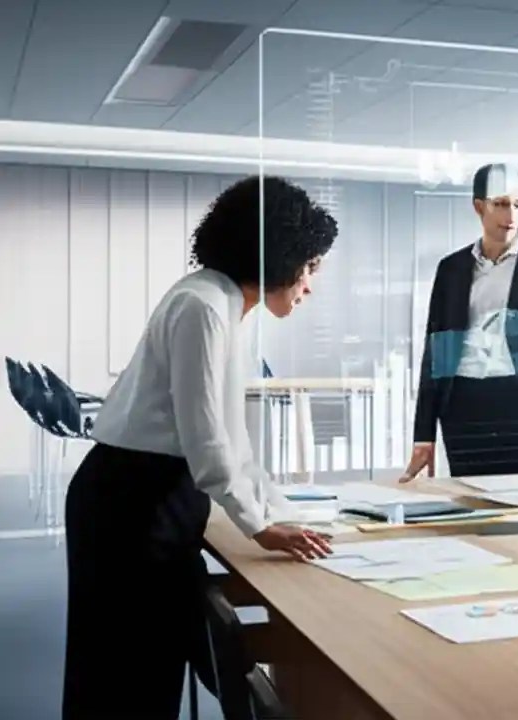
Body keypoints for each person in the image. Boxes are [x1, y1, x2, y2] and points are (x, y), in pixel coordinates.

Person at [62, 175, 338, 719]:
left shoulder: (218, 300)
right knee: (127, 677)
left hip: (147, 493)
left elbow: (232, 440)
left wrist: (281, 511)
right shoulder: (206, 307)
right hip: (134, 500)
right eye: (309, 267)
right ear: (277, 254)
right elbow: (208, 438)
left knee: (146, 670)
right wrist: (258, 525)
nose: (309, 285)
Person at [401, 163, 518, 480]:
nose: (511, 216)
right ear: (479, 207)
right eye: (500, 204)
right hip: (463, 408)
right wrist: (424, 434)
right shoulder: (452, 269)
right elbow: (435, 352)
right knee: (470, 508)